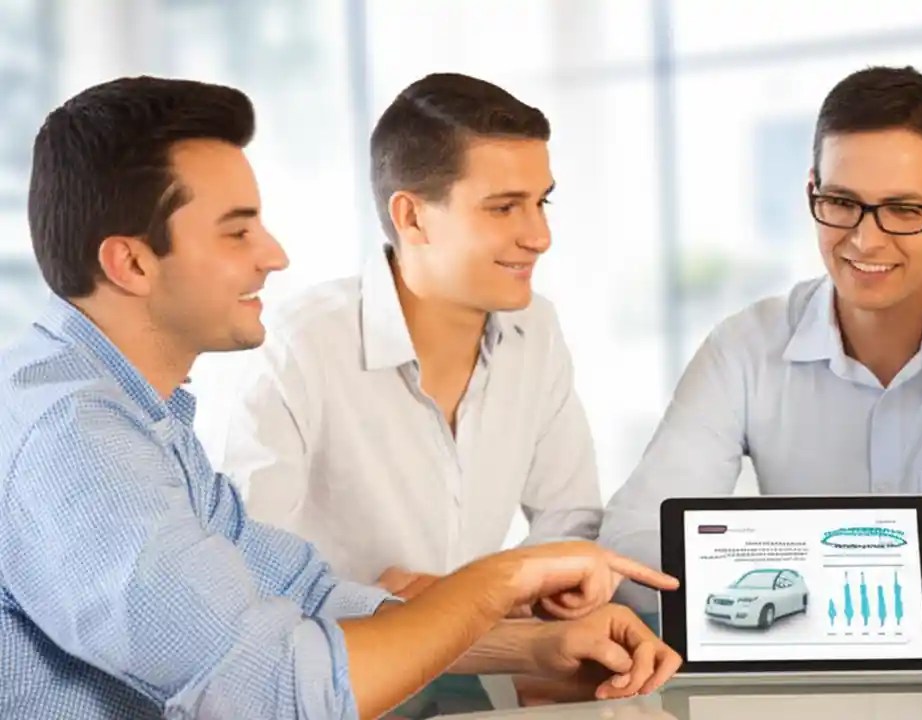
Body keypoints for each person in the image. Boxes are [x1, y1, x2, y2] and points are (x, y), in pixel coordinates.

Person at [0, 75, 679, 720]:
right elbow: (272, 692)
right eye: (238, 231)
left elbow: (302, 593)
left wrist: (529, 646)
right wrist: (502, 580)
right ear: (133, 264)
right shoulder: (75, 438)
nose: (274, 255)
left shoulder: (141, 416)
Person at [599, 65, 922, 627]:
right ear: (811, 193)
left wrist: (907, 599)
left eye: (903, 210)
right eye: (842, 203)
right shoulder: (743, 349)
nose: (865, 239)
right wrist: (800, 593)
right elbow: (632, 545)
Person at [215, 72, 599, 583]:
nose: (540, 236)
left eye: (540, 202)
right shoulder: (302, 346)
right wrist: (397, 610)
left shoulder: (536, 329)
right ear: (412, 218)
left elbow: (570, 522)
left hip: (487, 650)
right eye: (505, 207)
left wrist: (510, 595)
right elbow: (250, 570)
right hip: (341, 659)